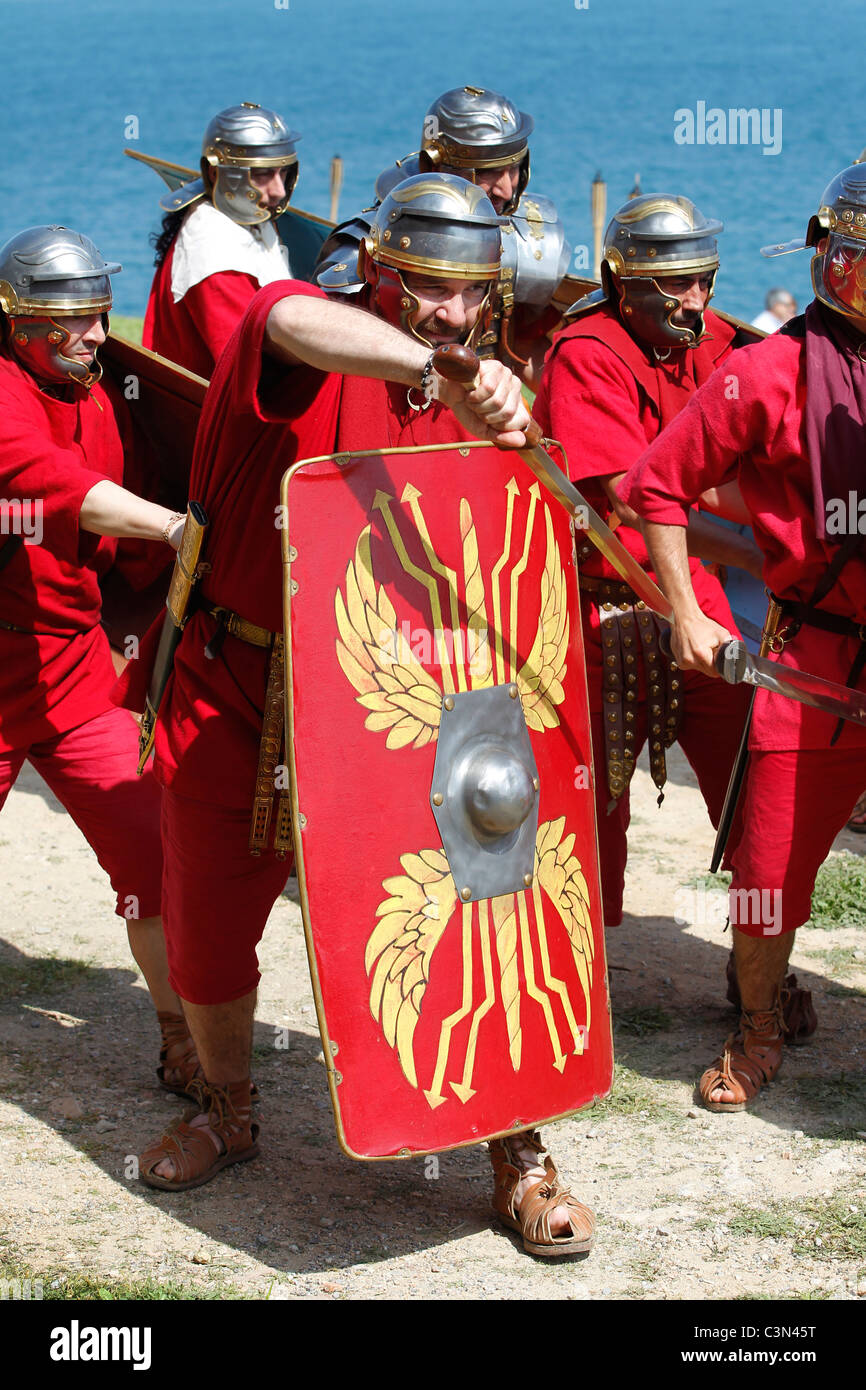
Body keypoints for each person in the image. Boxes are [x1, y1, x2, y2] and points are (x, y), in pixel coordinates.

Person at [124, 174, 594, 1257]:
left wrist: (503, 417)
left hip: (402, 701)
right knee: (207, 922)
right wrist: (434, 364)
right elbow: (283, 315)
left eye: (468, 294)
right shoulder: (297, 341)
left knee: (486, 904)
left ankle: (511, 1143)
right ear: (381, 272)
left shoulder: (491, 387)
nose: (448, 310)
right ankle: (229, 1108)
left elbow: (504, 559)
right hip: (238, 678)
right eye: (426, 285)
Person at [619, 162, 866, 1110]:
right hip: (813, 660)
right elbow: (655, 485)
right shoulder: (766, 372)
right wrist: (685, 609)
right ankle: (758, 1025)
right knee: (766, 870)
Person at [0, 224, 203, 1099]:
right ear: (19, 324)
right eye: (71, 321)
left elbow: (124, 566)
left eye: (98, 314)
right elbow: (50, 481)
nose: (94, 335)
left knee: (153, 852)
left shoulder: (101, 402)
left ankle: (184, 1040)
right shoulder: (4, 392)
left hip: (72, 668)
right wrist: (171, 524)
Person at [533, 194, 761, 937]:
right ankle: (579, 976)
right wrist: (764, 537)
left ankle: (758, 961)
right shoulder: (586, 351)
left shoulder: (720, 343)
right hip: (597, 598)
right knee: (586, 805)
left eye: (705, 280)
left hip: (695, 590)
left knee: (754, 780)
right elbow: (631, 499)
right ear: (619, 280)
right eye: (675, 283)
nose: (695, 299)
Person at [314, 86, 571, 387]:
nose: (506, 189)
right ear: (434, 165)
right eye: (488, 172)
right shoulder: (376, 240)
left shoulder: (525, 237)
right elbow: (325, 337)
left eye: (513, 169)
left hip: (473, 410)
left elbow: (522, 346)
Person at [143, 103, 300, 378]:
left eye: (283, 172)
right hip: (202, 413)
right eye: (262, 174)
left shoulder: (248, 221)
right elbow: (246, 369)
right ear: (216, 172)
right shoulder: (215, 249)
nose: (277, 190)